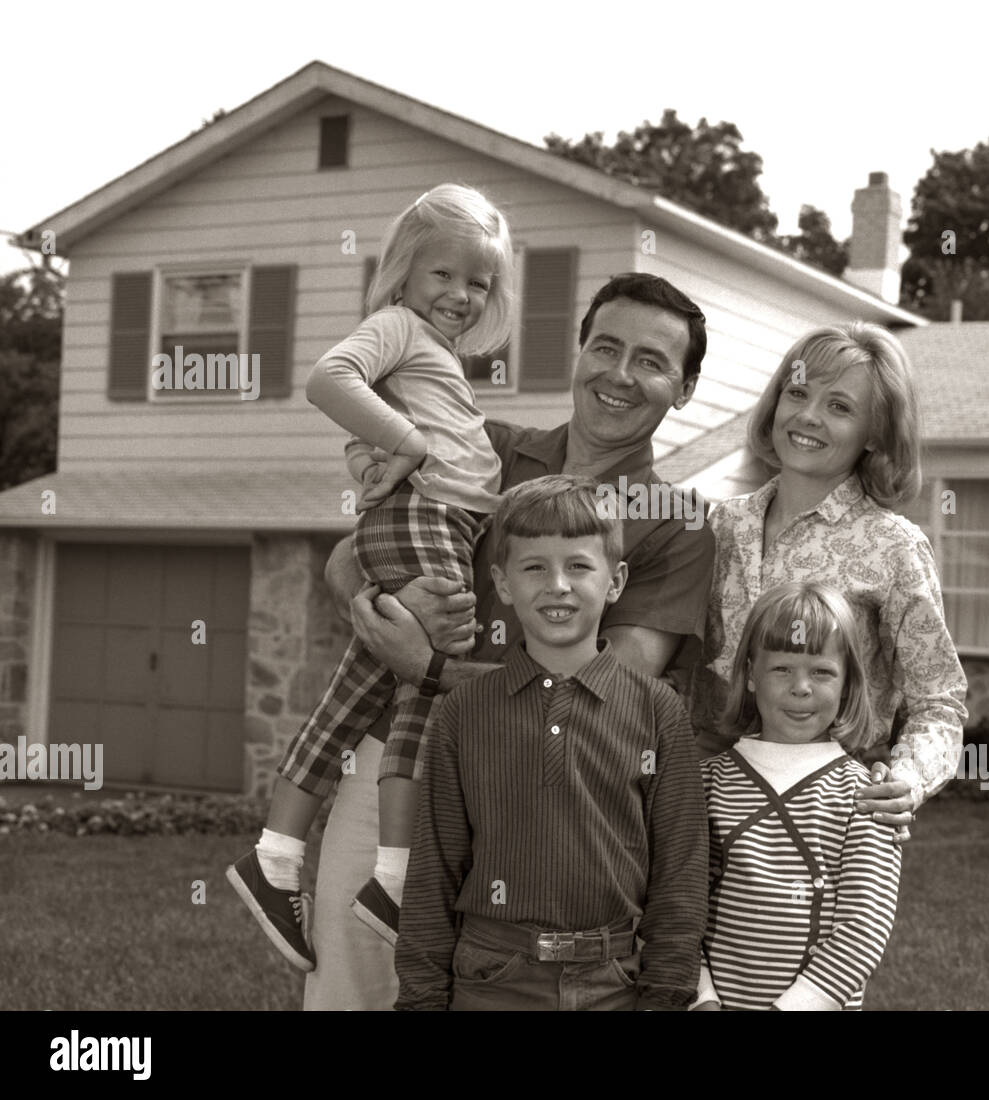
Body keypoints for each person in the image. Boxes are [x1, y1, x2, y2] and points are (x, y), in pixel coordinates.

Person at [303, 272, 715, 1009]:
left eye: (652, 362)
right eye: (607, 347)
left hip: (536, 787)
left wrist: (429, 665)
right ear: (579, 351)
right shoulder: (483, 447)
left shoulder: (677, 524)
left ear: (683, 390)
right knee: (350, 983)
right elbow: (345, 558)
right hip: (395, 753)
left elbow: (606, 685)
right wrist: (388, 597)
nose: (620, 374)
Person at [227, 184, 515, 967]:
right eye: (442, 276)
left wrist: (386, 447)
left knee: (361, 688)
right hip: (426, 516)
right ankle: (395, 874)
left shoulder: (431, 347)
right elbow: (327, 380)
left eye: (478, 282)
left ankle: (276, 852)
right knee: (429, 673)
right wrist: (407, 444)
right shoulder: (394, 325)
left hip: (434, 516)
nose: (460, 295)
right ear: (402, 274)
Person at [394, 475, 709, 1011]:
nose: (557, 585)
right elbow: (433, 872)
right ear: (502, 582)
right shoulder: (464, 712)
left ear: (616, 581)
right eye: (534, 566)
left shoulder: (658, 711)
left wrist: (666, 993)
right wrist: (421, 998)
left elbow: (680, 871)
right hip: (491, 977)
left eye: (579, 565)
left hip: (615, 981)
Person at [692, 322, 968, 830]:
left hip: (831, 818)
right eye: (797, 393)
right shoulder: (719, 526)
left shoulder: (894, 547)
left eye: (839, 407)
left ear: (876, 434)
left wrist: (905, 779)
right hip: (707, 806)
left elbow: (938, 702)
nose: (808, 416)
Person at [692, 581, 901, 1011]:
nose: (801, 687)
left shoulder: (866, 797)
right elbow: (677, 904)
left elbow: (864, 927)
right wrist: (702, 999)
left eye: (821, 671)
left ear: (848, 684)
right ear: (750, 675)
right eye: (782, 669)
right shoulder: (704, 784)